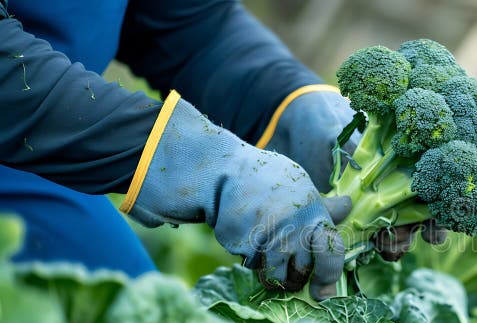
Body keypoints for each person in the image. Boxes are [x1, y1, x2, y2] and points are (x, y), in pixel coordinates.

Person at [0, 0, 436, 299]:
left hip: (46, 161)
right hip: (24, 140)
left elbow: (190, 25)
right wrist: (180, 154)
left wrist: (290, 104)